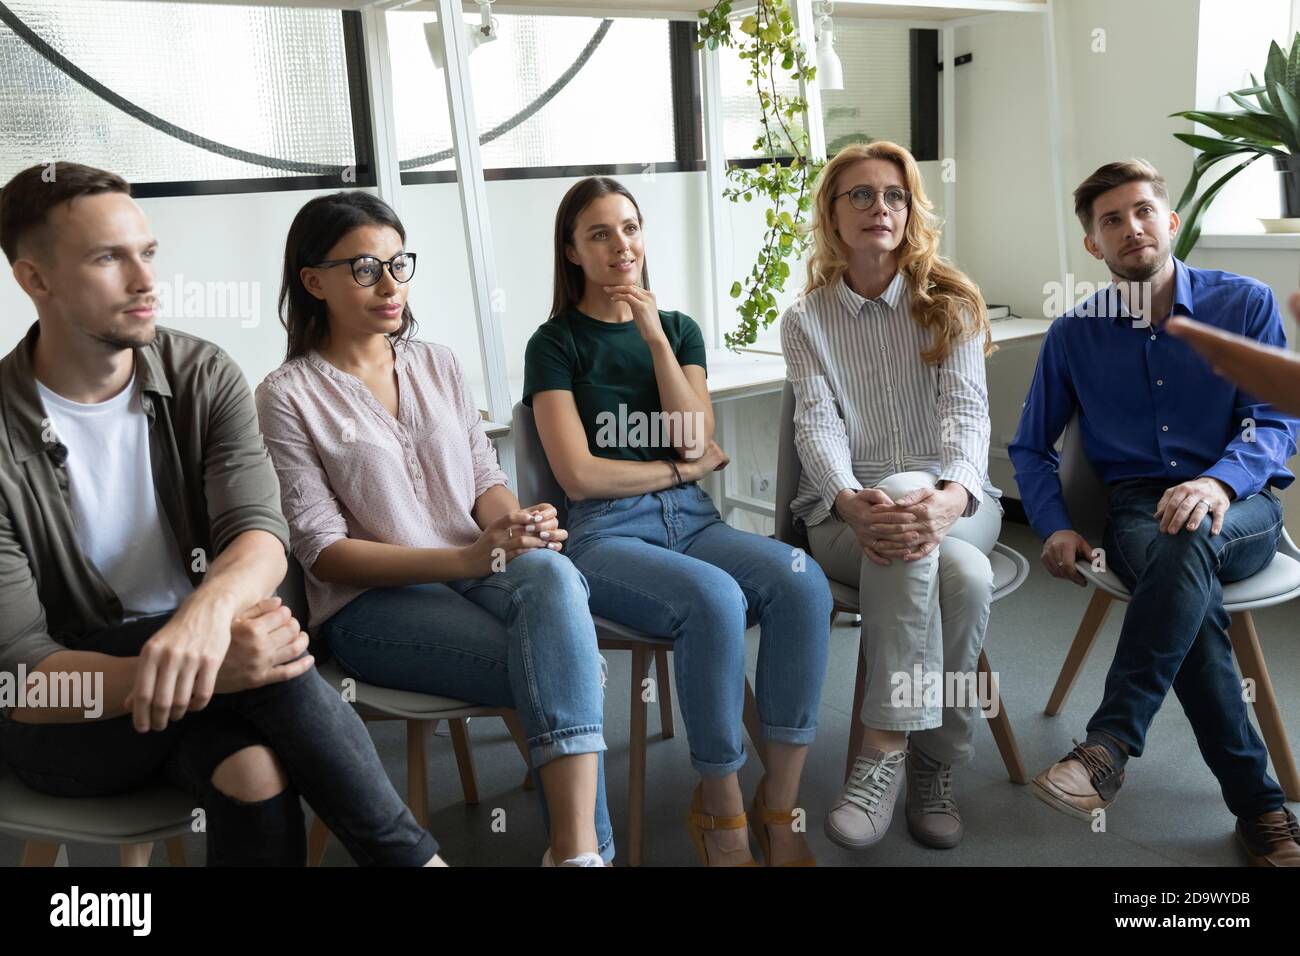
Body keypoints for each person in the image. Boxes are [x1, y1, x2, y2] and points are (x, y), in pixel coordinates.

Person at [0, 163, 442, 866]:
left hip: (222, 675)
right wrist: (195, 661)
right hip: (70, 711)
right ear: (35, 280)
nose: (144, 280)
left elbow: (261, 536)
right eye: (108, 257)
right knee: (274, 667)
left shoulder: (202, 373)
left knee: (254, 773)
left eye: (146, 252)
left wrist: (205, 626)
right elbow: (24, 680)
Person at [255, 190, 612, 866]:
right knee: (568, 668)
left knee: (553, 573)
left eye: (399, 263)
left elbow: (482, 478)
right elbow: (324, 552)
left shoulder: (438, 362)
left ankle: (575, 853)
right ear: (313, 281)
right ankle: (587, 852)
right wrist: (471, 560)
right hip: (372, 607)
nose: (391, 285)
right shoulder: (286, 395)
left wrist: (516, 526)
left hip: (476, 568)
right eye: (364, 269)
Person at [524, 176, 832, 867]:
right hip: (606, 534)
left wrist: (656, 340)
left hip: (693, 522)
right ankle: (720, 803)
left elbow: (694, 439)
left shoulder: (681, 329)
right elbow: (580, 475)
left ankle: (779, 805)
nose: (620, 246)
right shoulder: (555, 344)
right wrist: (673, 472)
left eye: (629, 228)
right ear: (572, 252)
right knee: (713, 597)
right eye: (599, 234)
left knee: (802, 579)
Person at [1009, 158, 1300, 866]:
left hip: (1243, 506)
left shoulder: (1244, 303)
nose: (1131, 227)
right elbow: (1029, 447)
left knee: (1193, 531)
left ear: (1169, 222)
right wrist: (1055, 525)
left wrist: (1220, 484)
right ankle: (1260, 809)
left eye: (1143, 211)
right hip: (1137, 512)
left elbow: (1276, 421)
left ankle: (1108, 745)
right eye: (1112, 220)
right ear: (1094, 246)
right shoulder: (1074, 334)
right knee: (1183, 569)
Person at [782, 140, 1002, 851]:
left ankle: (884, 749)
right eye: (862, 195)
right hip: (852, 520)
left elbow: (968, 416)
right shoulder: (806, 321)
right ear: (833, 215)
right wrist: (848, 498)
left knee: (926, 505)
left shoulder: (953, 301)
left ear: (911, 211)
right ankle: (935, 764)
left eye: (895, 195)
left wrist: (950, 494)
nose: (881, 207)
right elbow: (816, 427)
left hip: (959, 505)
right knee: (963, 577)